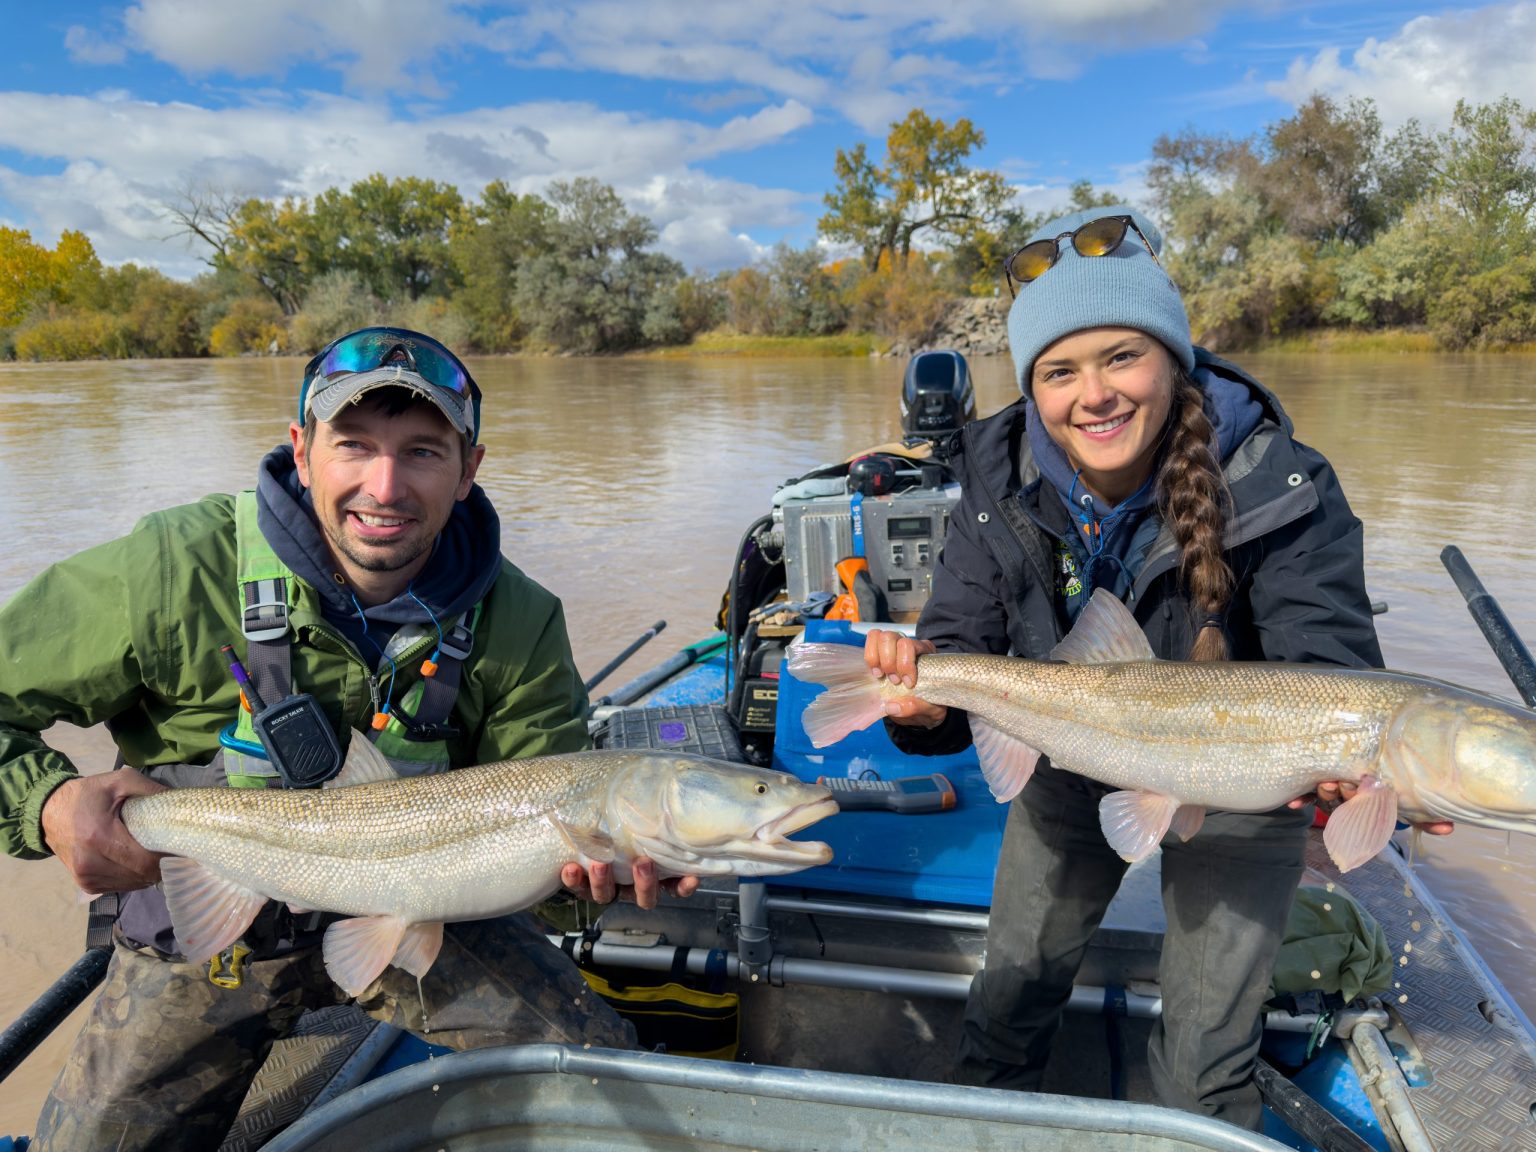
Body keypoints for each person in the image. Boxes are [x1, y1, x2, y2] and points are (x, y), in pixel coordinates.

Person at [0, 326, 696, 1151]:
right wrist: (48, 804)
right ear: (302, 451)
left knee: (609, 1096)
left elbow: (547, 848)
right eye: (353, 445)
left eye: (423, 452)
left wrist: (595, 878)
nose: (385, 486)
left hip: (432, 915)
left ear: (469, 469)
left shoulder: (522, 619)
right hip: (209, 922)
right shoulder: (173, 566)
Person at [864, 208, 1448, 1129]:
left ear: (1173, 360)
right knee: (1006, 1005)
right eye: (1059, 371)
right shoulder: (993, 474)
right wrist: (921, 699)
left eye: (1122, 358)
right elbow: (956, 640)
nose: (1093, 395)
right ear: (1032, 386)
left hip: (1241, 779)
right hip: (1064, 755)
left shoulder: (1281, 480)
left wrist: (1353, 780)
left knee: (1209, 1062)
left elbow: (1328, 665)